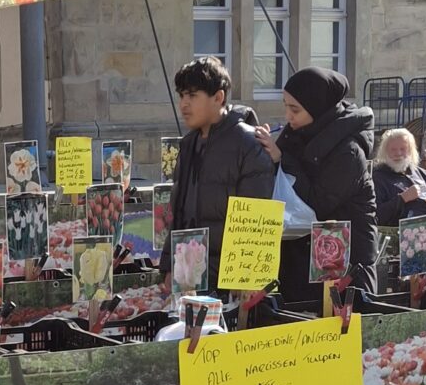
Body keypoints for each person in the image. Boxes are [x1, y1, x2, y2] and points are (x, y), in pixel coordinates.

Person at [259, 67, 378, 302]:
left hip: (345, 274)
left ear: (318, 109)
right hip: (300, 267)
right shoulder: (296, 135)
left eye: (295, 109)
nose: (288, 116)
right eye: (285, 107)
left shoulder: (349, 151)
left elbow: (318, 204)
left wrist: (282, 159)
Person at [162, 55, 277, 285]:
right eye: (181, 95)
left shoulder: (248, 145)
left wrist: (242, 285)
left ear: (219, 97)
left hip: (229, 284)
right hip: (188, 278)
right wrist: (169, 268)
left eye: (192, 95)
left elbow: (254, 227)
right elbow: (180, 217)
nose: (184, 104)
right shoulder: (187, 145)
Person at [372, 128, 426, 224]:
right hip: (400, 234)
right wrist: (402, 199)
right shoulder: (378, 178)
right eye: (393, 149)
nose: (398, 153)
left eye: (403, 149)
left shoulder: (420, 173)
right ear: (385, 152)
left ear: (410, 151)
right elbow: (375, 216)